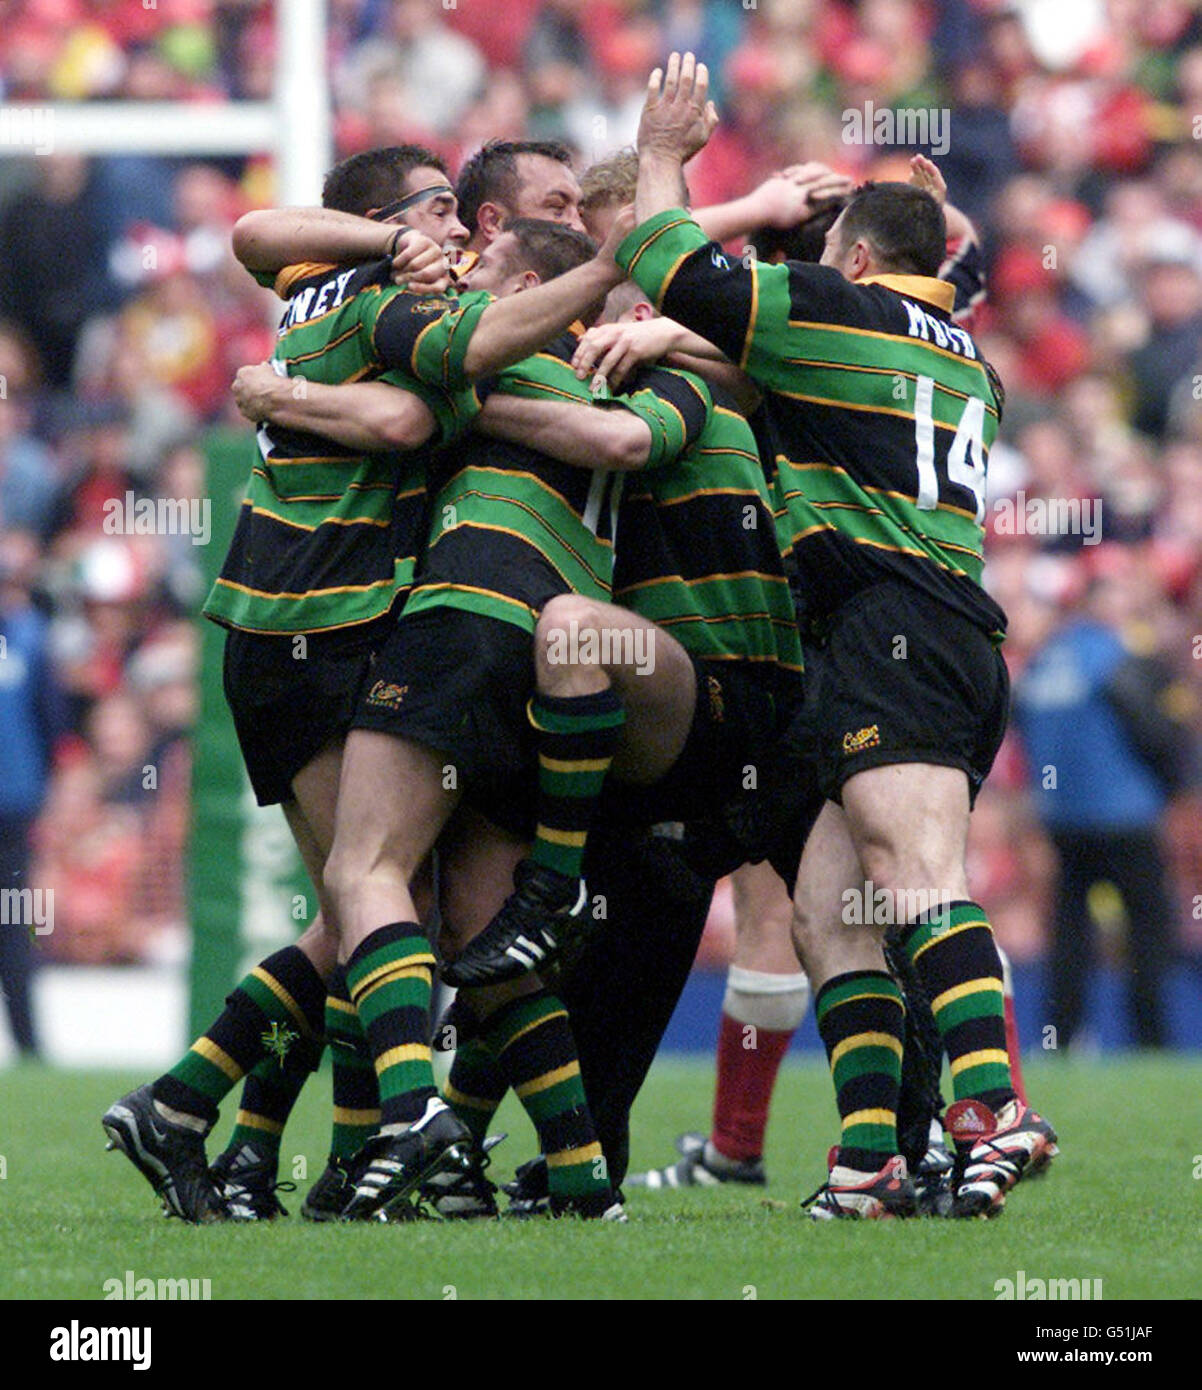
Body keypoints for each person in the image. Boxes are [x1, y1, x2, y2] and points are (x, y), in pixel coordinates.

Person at [616, 53, 1057, 1220]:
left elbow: (660, 261)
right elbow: (783, 376)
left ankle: (994, 1110)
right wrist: (682, 348)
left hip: (892, 631)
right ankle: (867, 1159)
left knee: (914, 882)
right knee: (824, 911)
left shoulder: (833, 309)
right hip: (924, 633)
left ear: (853, 261)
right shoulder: (965, 359)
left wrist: (663, 151)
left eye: (824, 255)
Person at [1012, 562, 1197, 1049]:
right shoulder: (1118, 656)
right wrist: (1175, 786)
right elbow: (1154, 731)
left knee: (1070, 931)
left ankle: (1066, 1036)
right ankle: (1150, 1037)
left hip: (1063, 819)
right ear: (1095, 602)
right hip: (1125, 816)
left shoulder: (1044, 661)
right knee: (1148, 928)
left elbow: (1021, 727)